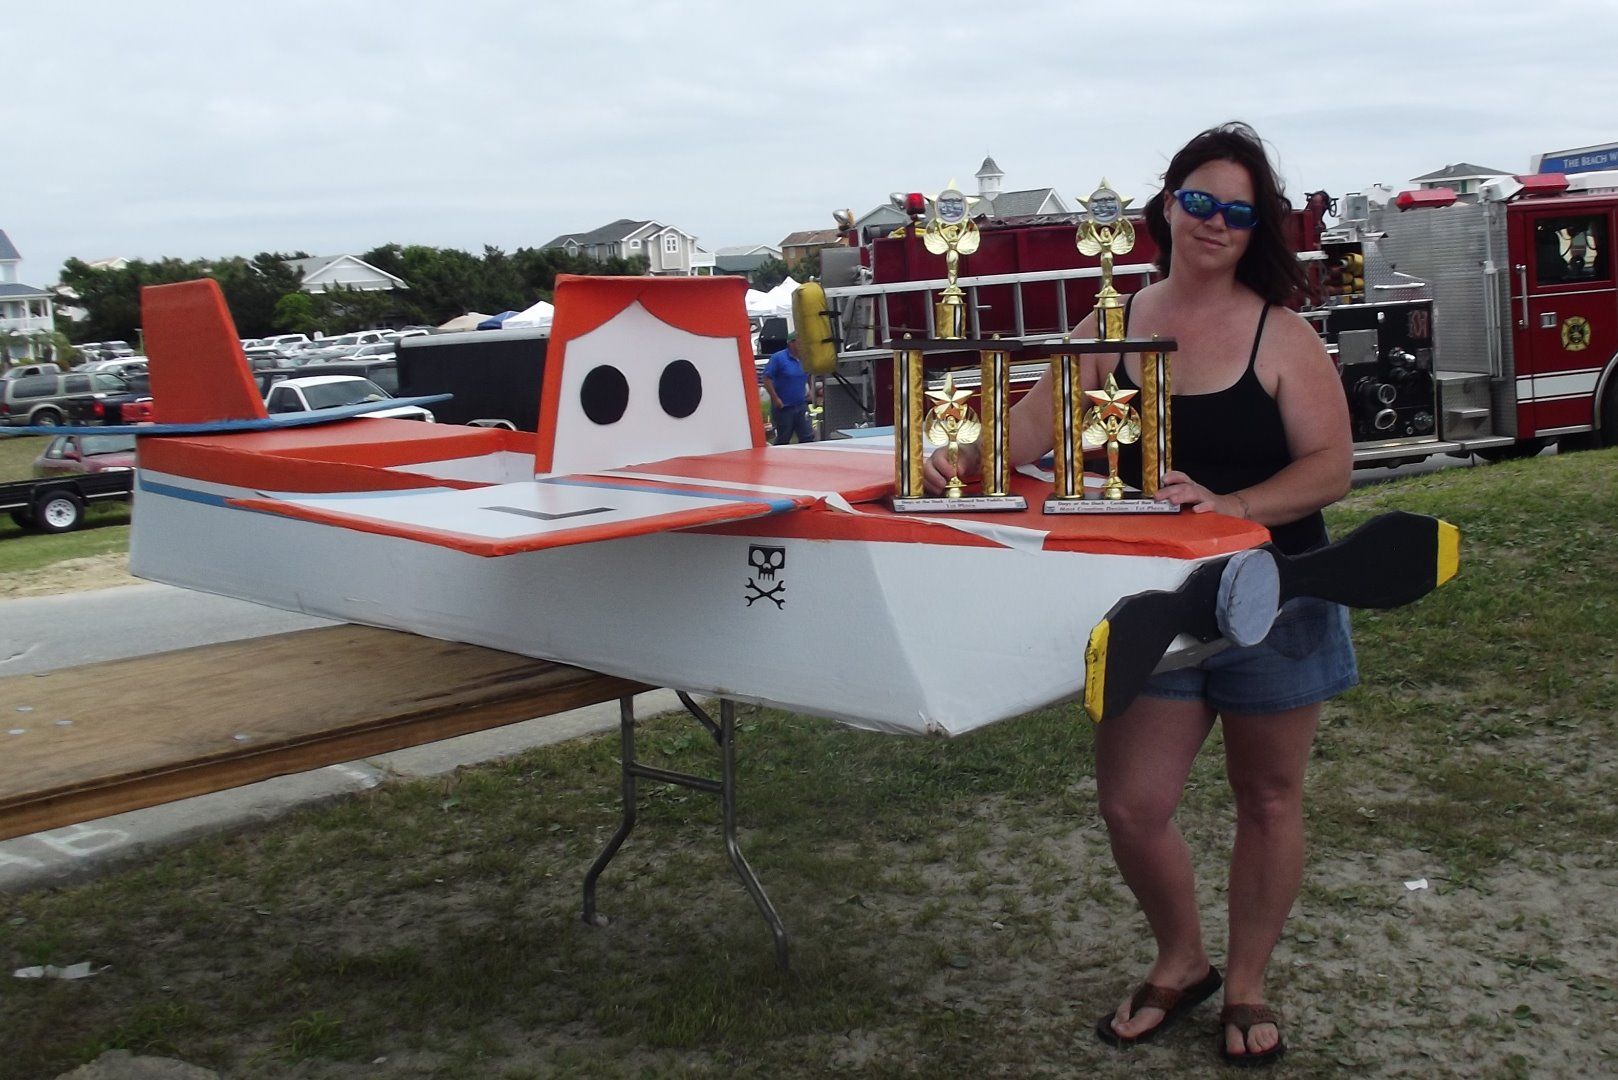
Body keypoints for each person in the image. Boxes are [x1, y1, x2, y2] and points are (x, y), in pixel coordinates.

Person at [924, 122, 1354, 1067]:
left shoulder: (1281, 335)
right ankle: (1181, 960)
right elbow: (1027, 435)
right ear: (1167, 204)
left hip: (1276, 599)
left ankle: (1244, 986)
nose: (1214, 223)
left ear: (1257, 230)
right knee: (1132, 803)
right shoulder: (1108, 323)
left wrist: (1234, 502)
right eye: (1199, 201)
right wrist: (943, 461)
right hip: (1152, 603)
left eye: (1238, 212)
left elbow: (1331, 468)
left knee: (1270, 798)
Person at [763, 332, 814, 444]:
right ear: (791, 343)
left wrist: (811, 391)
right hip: (784, 407)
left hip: (801, 405)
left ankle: (806, 459)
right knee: (784, 438)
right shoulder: (778, 358)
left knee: (807, 437)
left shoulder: (804, 359)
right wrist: (775, 398)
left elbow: (809, 375)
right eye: (800, 342)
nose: (803, 345)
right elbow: (767, 379)